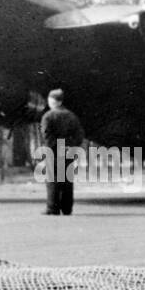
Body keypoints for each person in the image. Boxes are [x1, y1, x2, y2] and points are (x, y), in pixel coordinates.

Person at [39, 88, 84, 216]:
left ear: (52, 101)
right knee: (67, 180)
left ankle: (53, 208)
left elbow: (47, 135)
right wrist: (72, 145)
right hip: (68, 150)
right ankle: (67, 208)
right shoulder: (71, 116)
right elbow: (80, 134)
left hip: (53, 151)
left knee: (52, 179)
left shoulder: (48, 116)